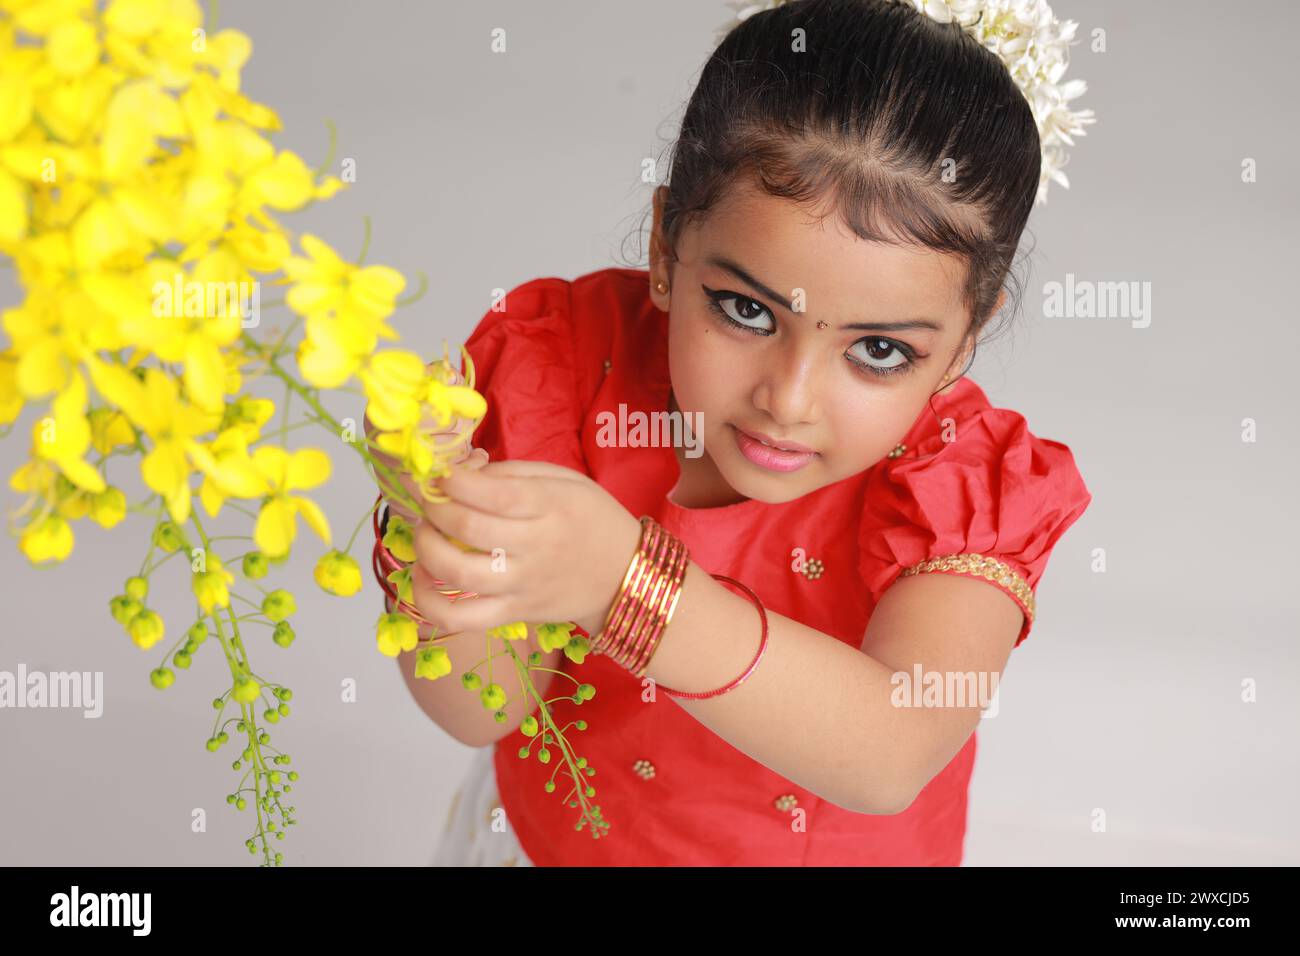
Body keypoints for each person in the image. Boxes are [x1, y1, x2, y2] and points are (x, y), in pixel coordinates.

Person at [376, 0, 1094, 866]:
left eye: (878, 350)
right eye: (747, 310)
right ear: (667, 246)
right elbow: (479, 711)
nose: (788, 400)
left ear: (967, 336)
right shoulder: (566, 366)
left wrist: (620, 584)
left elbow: (890, 755)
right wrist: (436, 523)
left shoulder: (962, 479)